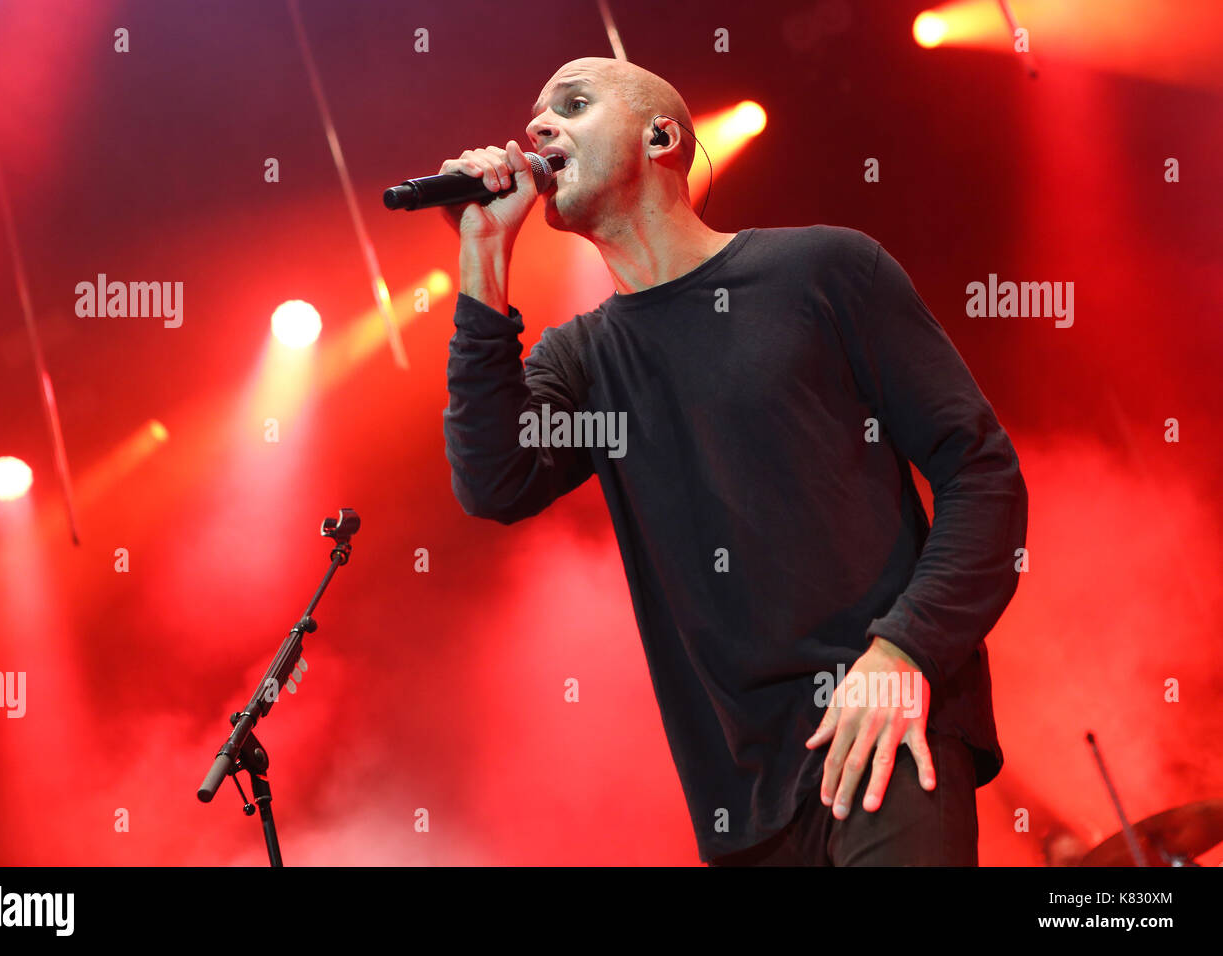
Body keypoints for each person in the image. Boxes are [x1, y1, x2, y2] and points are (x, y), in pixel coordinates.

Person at [440, 56, 1028, 865]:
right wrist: (481, 253)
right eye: (536, 114)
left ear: (662, 135)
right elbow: (493, 482)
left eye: (572, 105)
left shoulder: (825, 270)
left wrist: (905, 649)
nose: (537, 128)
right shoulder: (583, 359)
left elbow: (981, 472)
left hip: (885, 722)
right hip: (742, 799)